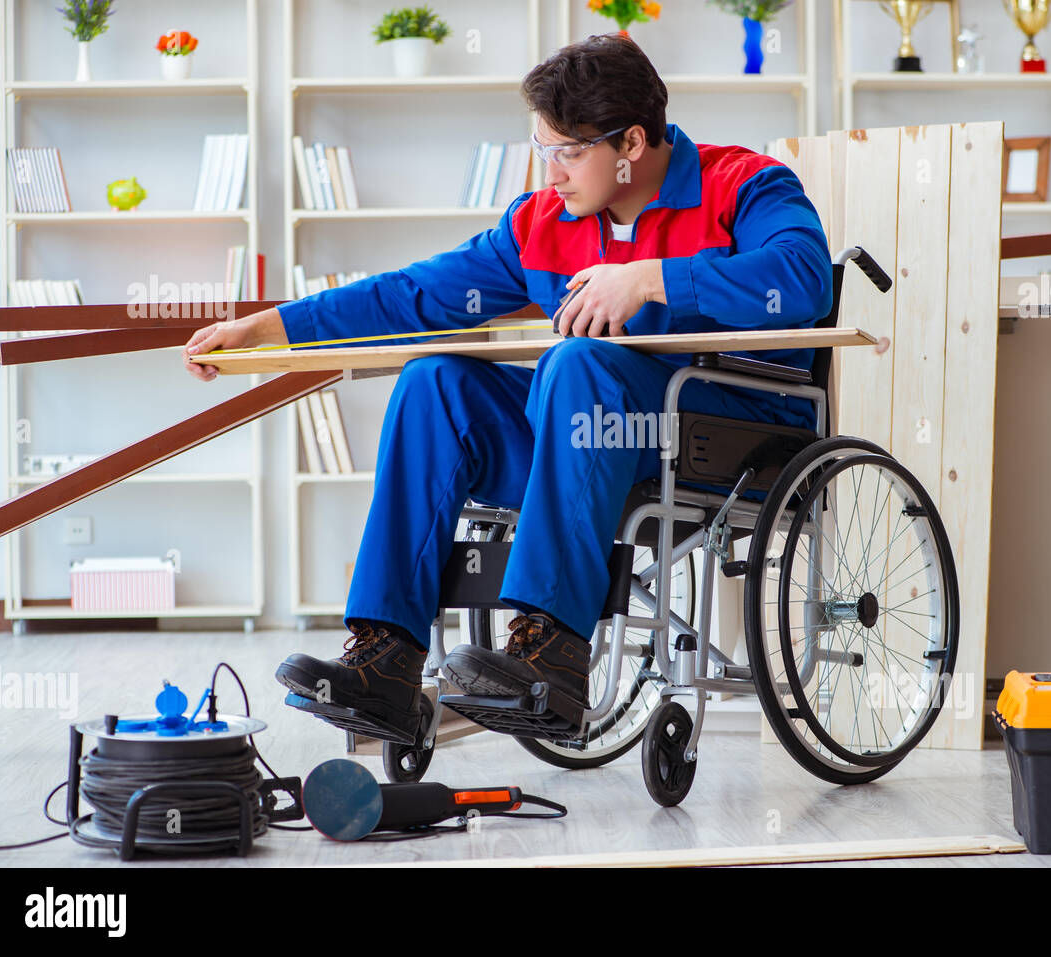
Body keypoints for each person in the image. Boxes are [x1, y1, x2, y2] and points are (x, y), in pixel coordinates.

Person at [181, 34, 832, 738]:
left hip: (726, 433)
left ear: (632, 142)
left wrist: (651, 278)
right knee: (434, 382)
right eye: (541, 148)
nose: (551, 172)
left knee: (576, 362)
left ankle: (552, 653)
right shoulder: (543, 222)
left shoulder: (744, 183)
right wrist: (268, 328)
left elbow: (803, 279)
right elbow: (410, 295)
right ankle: (387, 658)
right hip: (590, 436)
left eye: (567, 152)